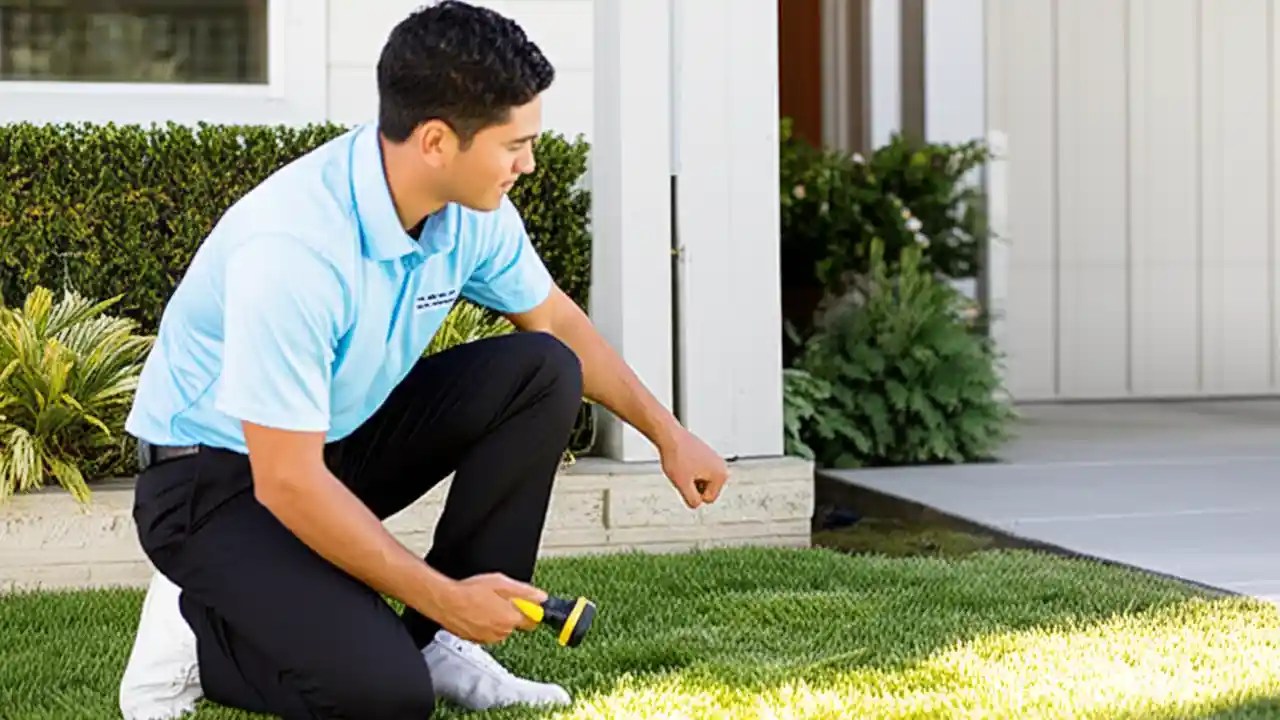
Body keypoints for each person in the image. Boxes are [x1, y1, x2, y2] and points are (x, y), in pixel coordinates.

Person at [116, 2, 730, 718]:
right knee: (385, 694)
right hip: (212, 486)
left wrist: (667, 432)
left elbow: (555, 319)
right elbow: (286, 483)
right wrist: (442, 594)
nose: (529, 163)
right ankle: (194, 634)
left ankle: (443, 646)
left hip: (327, 445)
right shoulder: (294, 247)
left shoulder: (473, 212)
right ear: (437, 140)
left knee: (541, 370)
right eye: (515, 145)